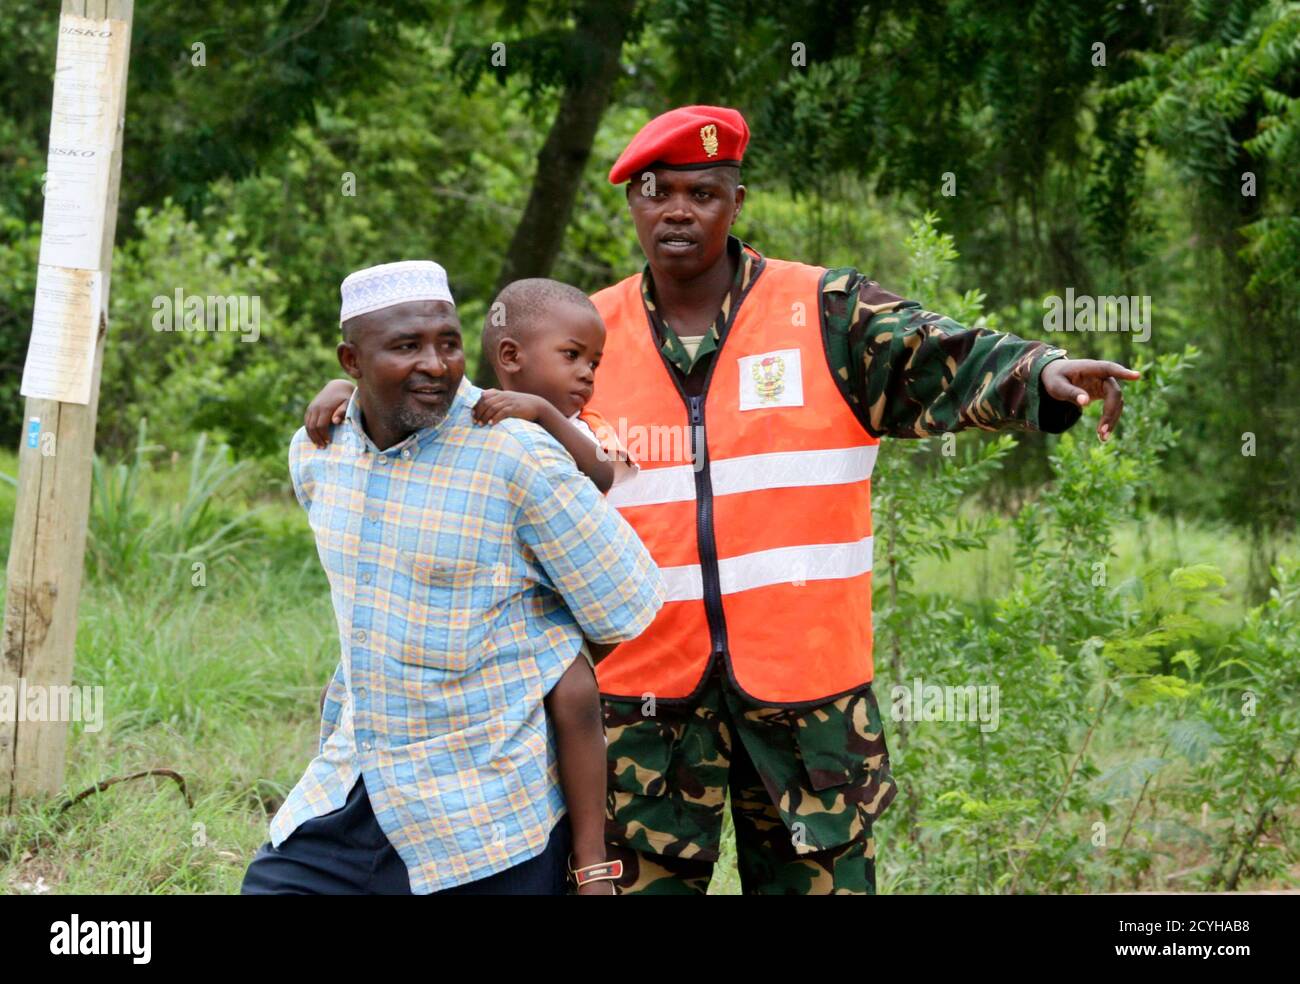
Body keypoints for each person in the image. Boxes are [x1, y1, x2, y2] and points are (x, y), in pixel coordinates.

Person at [304, 107, 1140, 895]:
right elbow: (457, 407)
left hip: (811, 712)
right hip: (641, 710)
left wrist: (1041, 375)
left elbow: (945, 357)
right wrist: (349, 396)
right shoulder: (581, 336)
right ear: (632, 202)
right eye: (655, 191)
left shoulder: (827, 312)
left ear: (736, 201)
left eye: (702, 193)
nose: (677, 211)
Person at [244, 260, 663, 895]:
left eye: (448, 343)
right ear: (351, 361)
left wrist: (531, 666)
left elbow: (626, 603)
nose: (436, 365)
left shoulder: (515, 451)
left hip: (487, 814)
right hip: (357, 785)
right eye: (407, 347)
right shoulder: (320, 452)